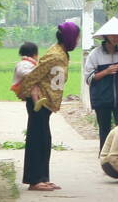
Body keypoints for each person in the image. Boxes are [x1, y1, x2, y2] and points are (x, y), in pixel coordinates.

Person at [14, 21, 79, 191]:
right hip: (39, 103)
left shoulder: (62, 53)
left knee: (44, 140)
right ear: (70, 38)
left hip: (47, 104)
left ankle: (43, 178)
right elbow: (34, 75)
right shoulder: (55, 55)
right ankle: (34, 180)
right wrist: (26, 92)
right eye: (77, 37)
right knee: (37, 140)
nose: (78, 41)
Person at [84, 17, 118, 152]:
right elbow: (89, 78)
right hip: (101, 98)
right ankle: (105, 158)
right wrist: (106, 71)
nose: (116, 37)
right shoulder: (95, 55)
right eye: (113, 35)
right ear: (106, 36)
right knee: (104, 130)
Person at [10, 41, 43, 108]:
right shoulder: (24, 63)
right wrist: (33, 75)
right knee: (34, 87)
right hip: (20, 85)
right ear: (35, 54)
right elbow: (22, 72)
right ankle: (36, 102)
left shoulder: (25, 62)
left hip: (23, 84)